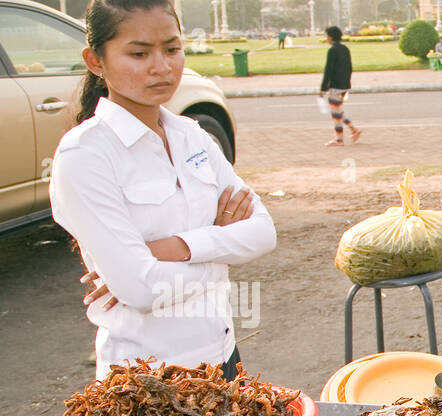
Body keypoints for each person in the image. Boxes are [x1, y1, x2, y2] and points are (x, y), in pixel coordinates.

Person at [50, 0, 275, 381]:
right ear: (95, 61)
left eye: (172, 49)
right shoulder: (85, 155)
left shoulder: (193, 136)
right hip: (145, 378)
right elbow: (141, 290)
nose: (162, 66)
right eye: (139, 53)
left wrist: (175, 249)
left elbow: (264, 232)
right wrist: (222, 249)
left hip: (223, 358)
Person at [321, 25, 360, 146]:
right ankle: (353, 130)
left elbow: (329, 70)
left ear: (331, 37)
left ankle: (339, 139)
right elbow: (349, 67)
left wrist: (323, 88)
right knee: (337, 110)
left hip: (336, 85)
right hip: (345, 84)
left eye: (327, 36)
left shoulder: (332, 50)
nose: (326, 38)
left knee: (335, 113)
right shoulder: (345, 49)